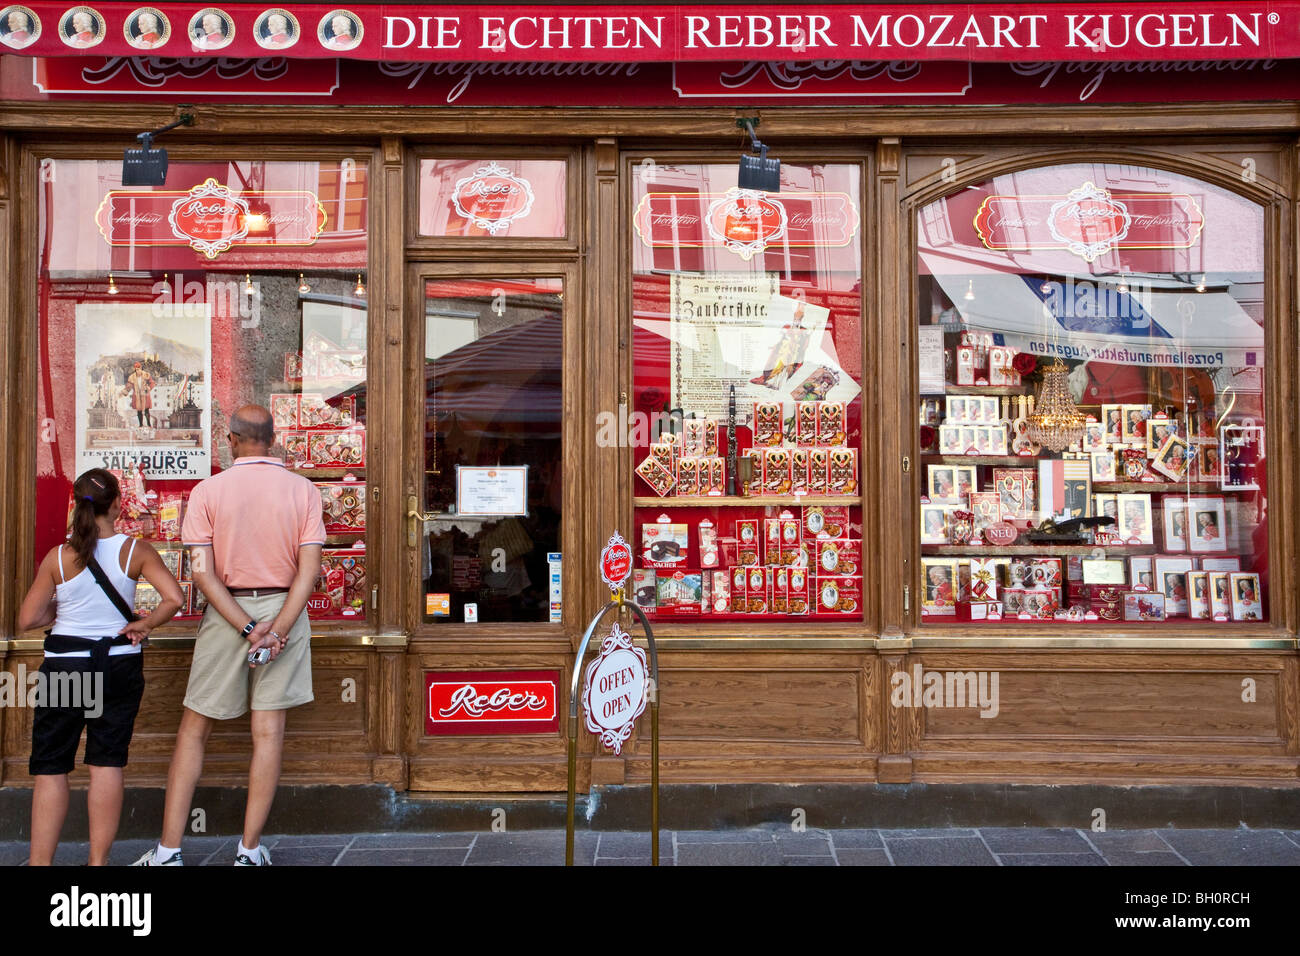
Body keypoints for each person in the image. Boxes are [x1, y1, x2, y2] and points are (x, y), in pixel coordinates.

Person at [134, 406, 324, 867]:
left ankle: (169, 850)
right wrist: (276, 631)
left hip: (226, 615)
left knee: (194, 729)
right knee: (268, 732)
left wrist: (244, 626)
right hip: (283, 611)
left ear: (232, 439)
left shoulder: (207, 491)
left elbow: (201, 575)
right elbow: (310, 572)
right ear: (273, 439)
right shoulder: (304, 490)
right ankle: (249, 850)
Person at [17, 469, 183, 866]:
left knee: (52, 767)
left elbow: (27, 618)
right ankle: (97, 863)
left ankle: (40, 864)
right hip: (117, 663)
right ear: (118, 505)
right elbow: (174, 598)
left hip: (66, 666)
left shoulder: (57, 557)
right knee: (106, 762)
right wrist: (144, 624)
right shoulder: (135, 550)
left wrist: (64, 607)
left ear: (76, 506)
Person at [122, 362, 154, 428]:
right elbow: (129, 386)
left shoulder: (146, 375)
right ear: (135, 369)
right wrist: (125, 391)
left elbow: (152, 383)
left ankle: (149, 424)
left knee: (146, 410)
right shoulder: (132, 377)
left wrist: (149, 388)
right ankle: (141, 425)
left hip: (145, 395)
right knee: (139, 411)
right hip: (137, 396)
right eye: (136, 369)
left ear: (141, 368)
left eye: (139, 369)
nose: (138, 371)